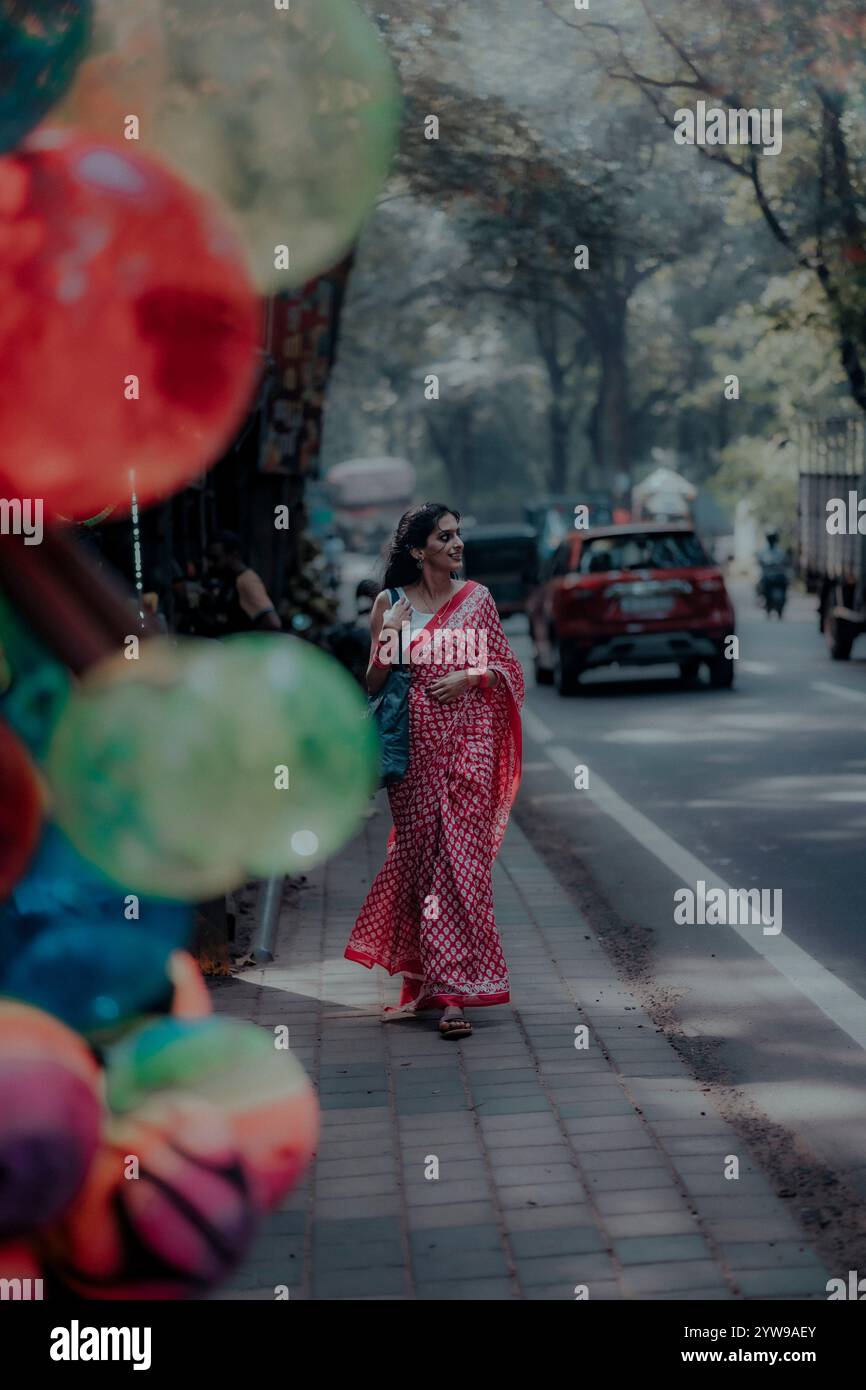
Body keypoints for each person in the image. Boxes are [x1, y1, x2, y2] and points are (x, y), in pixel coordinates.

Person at [344, 503, 524, 1039]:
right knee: (424, 864)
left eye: (458, 535)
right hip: (415, 752)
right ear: (418, 550)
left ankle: (452, 997)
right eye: (445, 537)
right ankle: (430, 979)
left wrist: (472, 676)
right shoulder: (390, 603)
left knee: (458, 864)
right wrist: (390, 637)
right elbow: (374, 684)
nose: (457, 544)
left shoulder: (479, 601)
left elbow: (509, 668)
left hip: (470, 746)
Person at [204, 531, 282, 634]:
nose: (210, 564)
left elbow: (272, 623)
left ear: (233, 555)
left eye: (215, 559)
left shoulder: (246, 581)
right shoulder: (230, 580)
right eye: (208, 559)